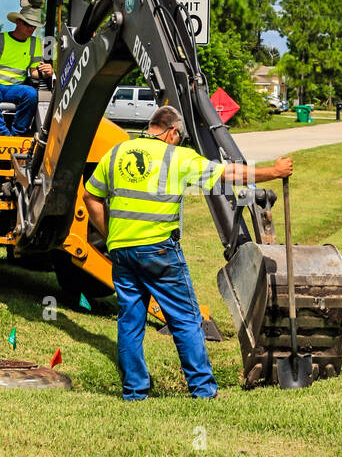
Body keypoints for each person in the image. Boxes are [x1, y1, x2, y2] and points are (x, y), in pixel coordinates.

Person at [83, 105, 293, 401]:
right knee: (185, 318)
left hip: (122, 252)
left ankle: (134, 391)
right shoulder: (177, 156)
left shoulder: (117, 152)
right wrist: (273, 170)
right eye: (178, 138)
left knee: (130, 321)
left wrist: (110, 235)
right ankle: (203, 389)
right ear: (172, 133)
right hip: (159, 251)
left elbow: (90, 196)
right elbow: (227, 174)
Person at [0, 6, 53, 136]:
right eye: (28, 24)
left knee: (31, 94)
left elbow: (34, 72)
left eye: (34, 26)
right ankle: (2, 134)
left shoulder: (34, 43)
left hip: (15, 88)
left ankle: (18, 134)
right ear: (18, 22)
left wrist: (46, 72)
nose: (31, 28)